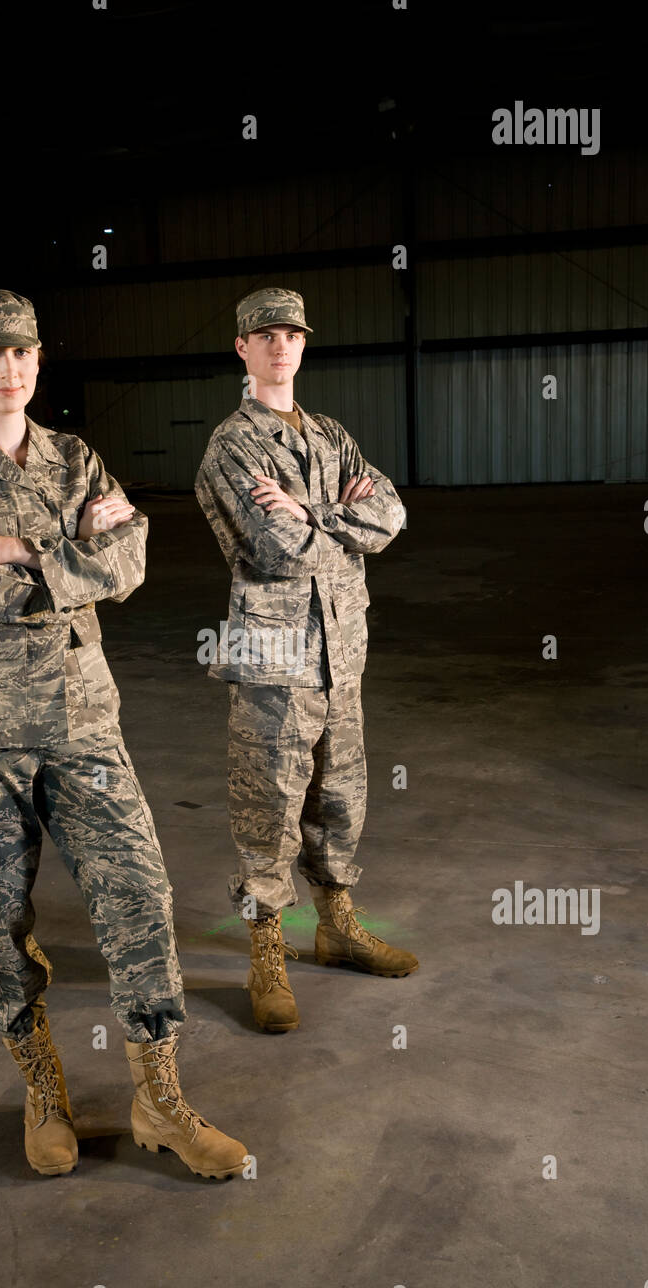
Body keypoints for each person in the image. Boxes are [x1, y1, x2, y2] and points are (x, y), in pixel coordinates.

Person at [0, 288, 247, 1178]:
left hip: (83, 721)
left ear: (39, 359)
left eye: (21, 354)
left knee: (140, 895)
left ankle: (159, 1098)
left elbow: (131, 563)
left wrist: (9, 545)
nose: (7, 370)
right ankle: (42, 1088)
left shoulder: (75, 455)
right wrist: (69, 546)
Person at [195, 287, 419, 1034]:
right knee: (270, 812)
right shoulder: (233, 446)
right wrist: (339, 525)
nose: (281, 344)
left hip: (341, 656)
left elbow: (391, 514)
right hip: (274, 658)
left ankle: (336, 927)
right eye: (265, 334)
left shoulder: (329, 435)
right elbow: (273, 549)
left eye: (292, 332)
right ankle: (267, 951)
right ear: (243, 348)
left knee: (341, 803)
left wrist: (313, 510)